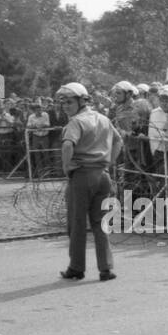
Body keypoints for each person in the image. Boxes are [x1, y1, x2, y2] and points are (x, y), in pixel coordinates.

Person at [56, 83, 122, 281]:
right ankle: (106, 268)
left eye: (69, 102)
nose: (66, 106)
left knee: (76, 224)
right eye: (63, 103)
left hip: (82, 175)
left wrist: (66, 167)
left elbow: (68, 145)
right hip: (102, 176)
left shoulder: (75, 122)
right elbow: (118, 141)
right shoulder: (103, 119)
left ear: (82, 101)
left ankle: (76, 267)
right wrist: (109, 162)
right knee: (99, 223)